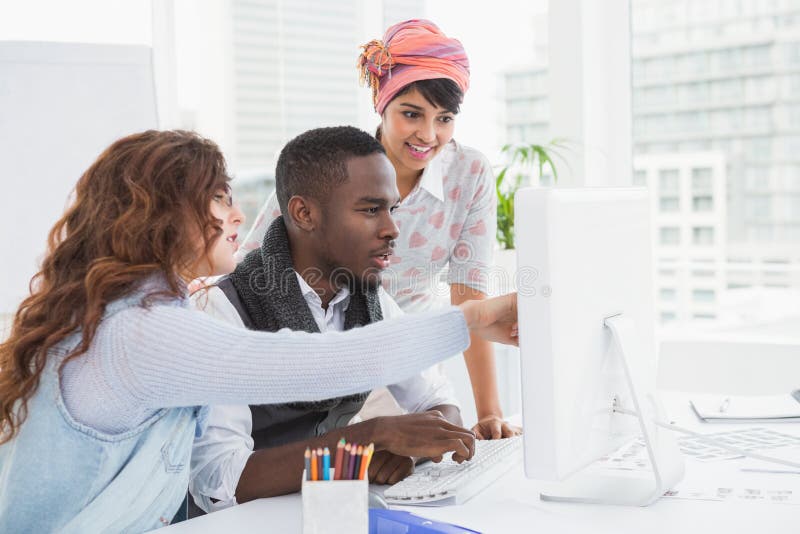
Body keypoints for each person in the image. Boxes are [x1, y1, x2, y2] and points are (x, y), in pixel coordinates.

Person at [0, 130, 518, 532]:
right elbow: (315, 364)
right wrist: (473, 318)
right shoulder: (139, 332)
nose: (239, 214)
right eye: (220, 199)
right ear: (160, 215)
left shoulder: (143, 314)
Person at [239, 19, 518, 439]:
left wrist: (490, 412)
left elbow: (470, 300)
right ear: (381, 105)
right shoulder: (334, 168)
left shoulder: (470, 173)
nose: (429, 134)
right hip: (324, 355)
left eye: (444, 118)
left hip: (411, 364)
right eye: (411, 114)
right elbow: (258, 264)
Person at [189, 126, 469, 514]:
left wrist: (408, 452)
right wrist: (368, 440)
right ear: (304, 213)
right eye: (371, 209)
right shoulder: (222, 308)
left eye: (392, 209)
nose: (392, 229)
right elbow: (221, 481)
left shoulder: (369, 299)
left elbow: (438, 402)